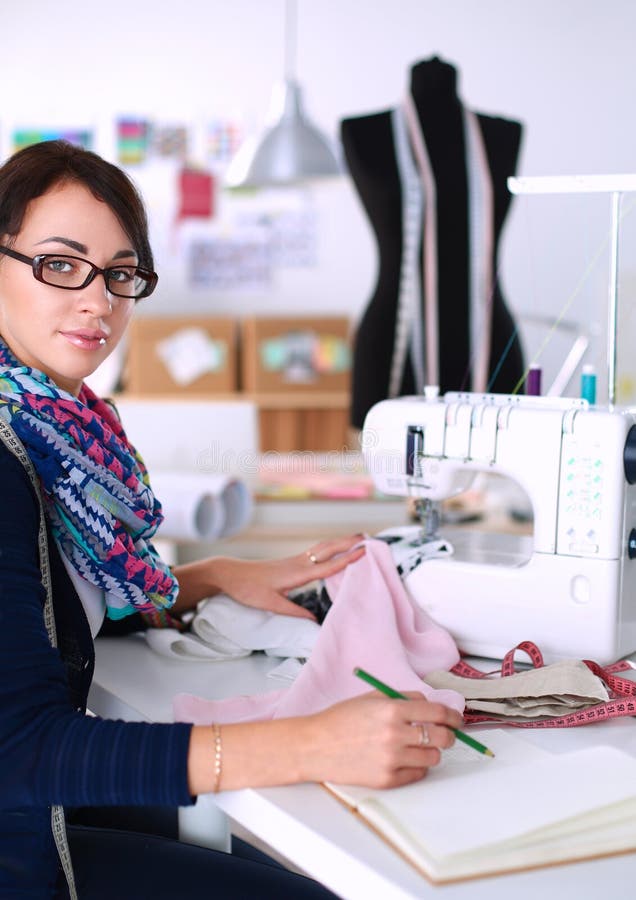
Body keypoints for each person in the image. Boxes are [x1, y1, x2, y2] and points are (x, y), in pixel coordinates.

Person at [0, 140, 463, 899]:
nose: (99, 300)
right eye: (59, 263)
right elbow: (19, 748)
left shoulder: (61, 430)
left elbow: (36, 619)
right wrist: (306, 742)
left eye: (120, 272)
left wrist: (205, 579)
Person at [341, 55, 525, 429]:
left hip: (490, 347)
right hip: (392, 346)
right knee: (392, 476)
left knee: (487, 480)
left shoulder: (501, 135)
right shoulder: (365, 132)